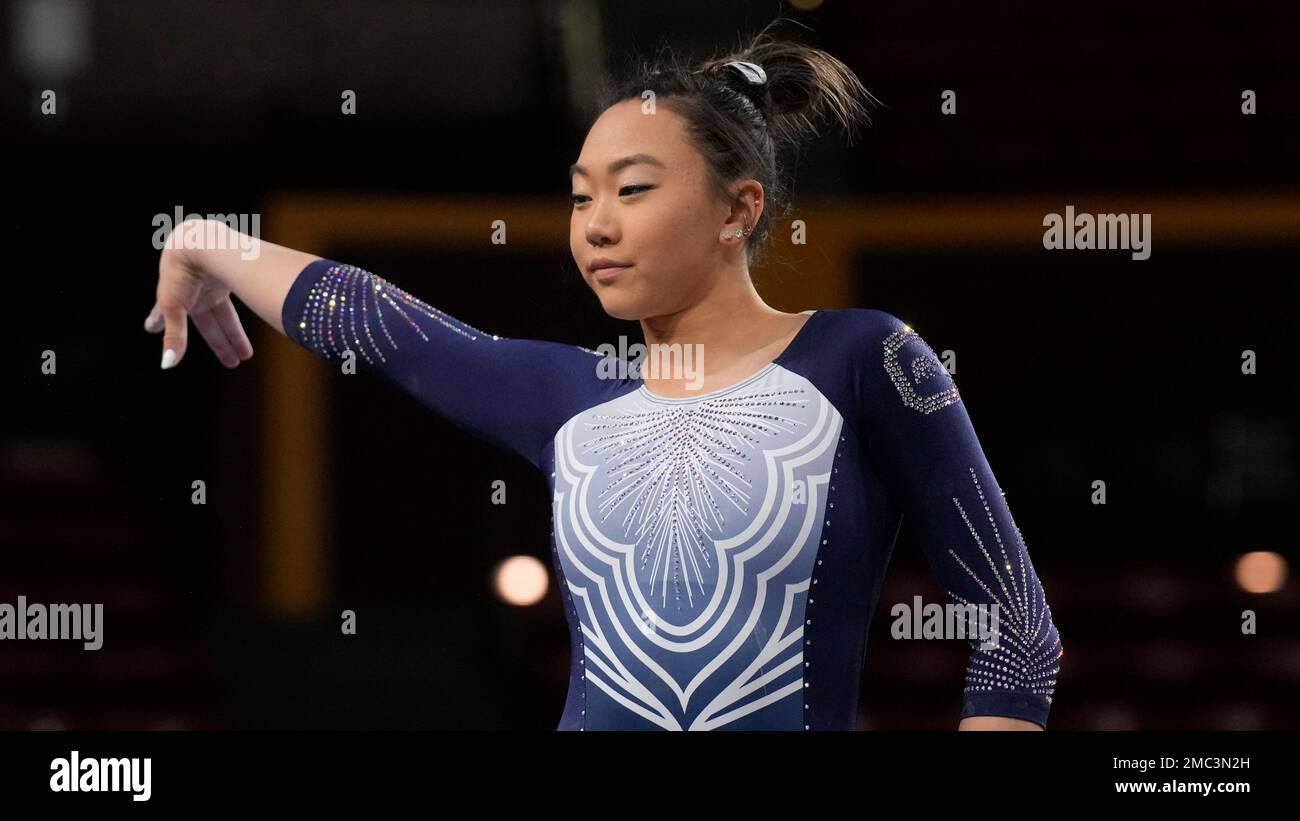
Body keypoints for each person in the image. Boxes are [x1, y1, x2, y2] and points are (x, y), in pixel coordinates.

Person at [143, 23, 1062, 731]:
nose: (596, 224)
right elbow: (381, 323)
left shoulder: (860, 360)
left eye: (632, 189)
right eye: (581, 194)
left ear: (738, 207)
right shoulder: (569, 398)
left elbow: (1017, 628)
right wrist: (206, 242)